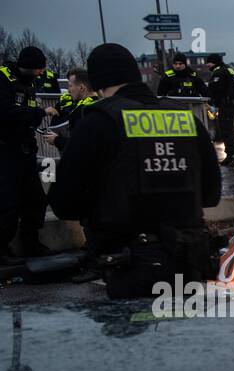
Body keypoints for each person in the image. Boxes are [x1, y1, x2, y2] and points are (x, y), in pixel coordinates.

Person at [47, 42, 221, 299]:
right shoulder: (184, 117)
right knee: (184, 336)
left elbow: (66, 203)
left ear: (97, 83)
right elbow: (210, 193)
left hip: (129, 263)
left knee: (133, 333)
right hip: (188, 257)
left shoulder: (97, 122)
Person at [0, 47, 60, 260]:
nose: (40, 74)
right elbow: (6, 113)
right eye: (38, 69)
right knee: (8, 204)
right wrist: (40, 112)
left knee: (35, 200)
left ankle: (31, 243)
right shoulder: (3, 79)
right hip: (6, 152)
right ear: (28, 66)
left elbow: (28, 115)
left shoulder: (29, 83)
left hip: (25, 151)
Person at [203, 53, 234, 166]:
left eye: (209, 62)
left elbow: (215, 89)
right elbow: (233, 88)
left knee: (226, 132)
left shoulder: (218, 72)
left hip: (226, 105)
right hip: (233, 104)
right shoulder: (230, 70)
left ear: (214, 62)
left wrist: (212, 103)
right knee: (228, 131)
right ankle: (232, 155)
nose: (207, 65)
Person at [43, 68, 96, 151]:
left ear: (82, 87)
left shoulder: (90, 110)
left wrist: (57, 140)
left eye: (70, 86)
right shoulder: (69, 102)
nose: (68, 90)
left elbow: (84, 145)